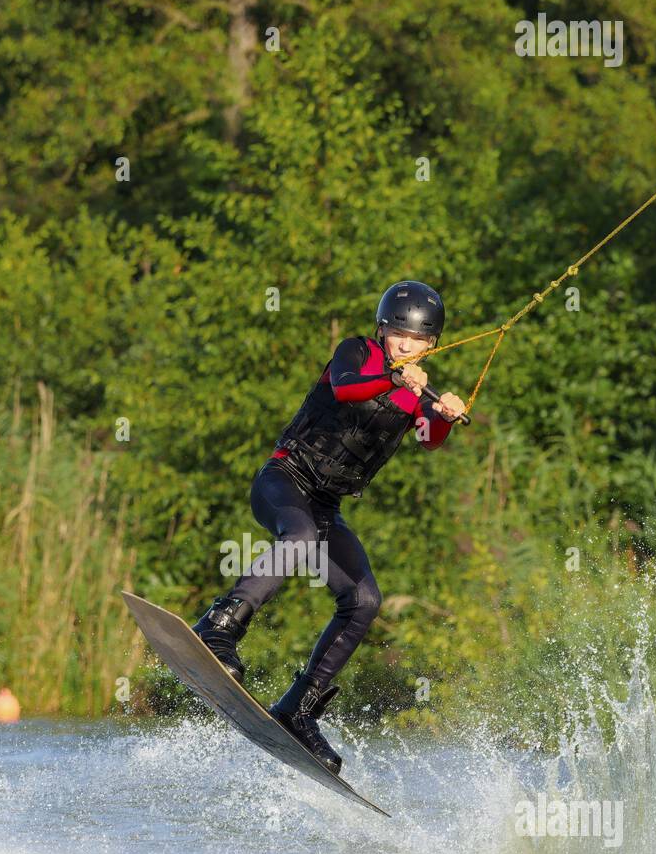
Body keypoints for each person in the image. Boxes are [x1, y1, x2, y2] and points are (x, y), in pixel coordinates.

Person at [192, 280, 465, 775]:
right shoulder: (356, 354)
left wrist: (444, 413)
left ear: (432, 345)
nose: (406, 344)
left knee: (364, 600)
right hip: (284, 478)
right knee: (295, 539)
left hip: (325, 507)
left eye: (417, 340)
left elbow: (429, 438)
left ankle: (298, 709)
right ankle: (220, 625)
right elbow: (347, 388)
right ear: (383, 331)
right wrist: (396, 381)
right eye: (398, 333)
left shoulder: (414, 394)